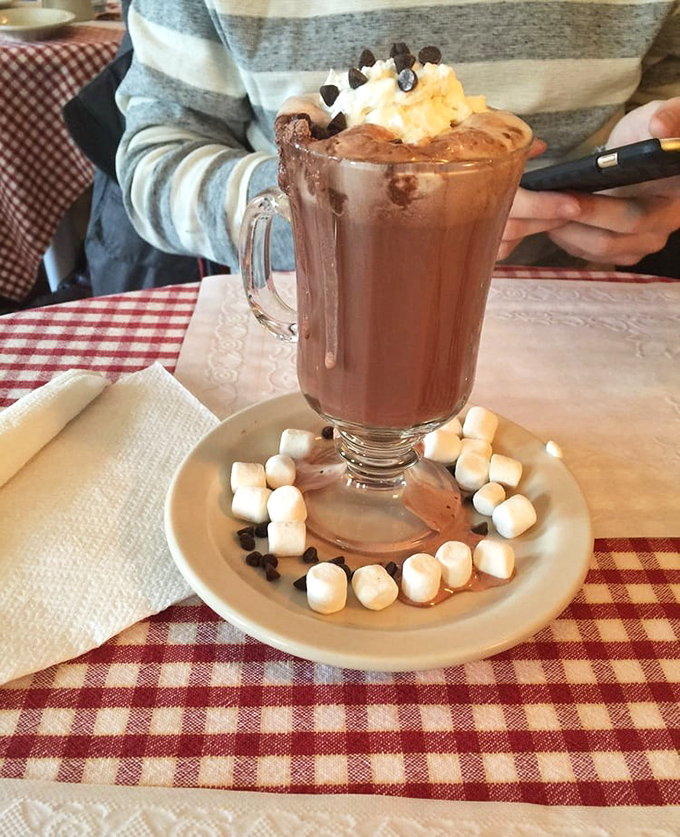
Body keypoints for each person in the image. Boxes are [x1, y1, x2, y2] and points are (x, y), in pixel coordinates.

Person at [114, 0, 680, 278]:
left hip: (579, 324)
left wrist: (655, 182)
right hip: (323, 309)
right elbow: (154, 166)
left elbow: (665, 118)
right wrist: (322, 200)